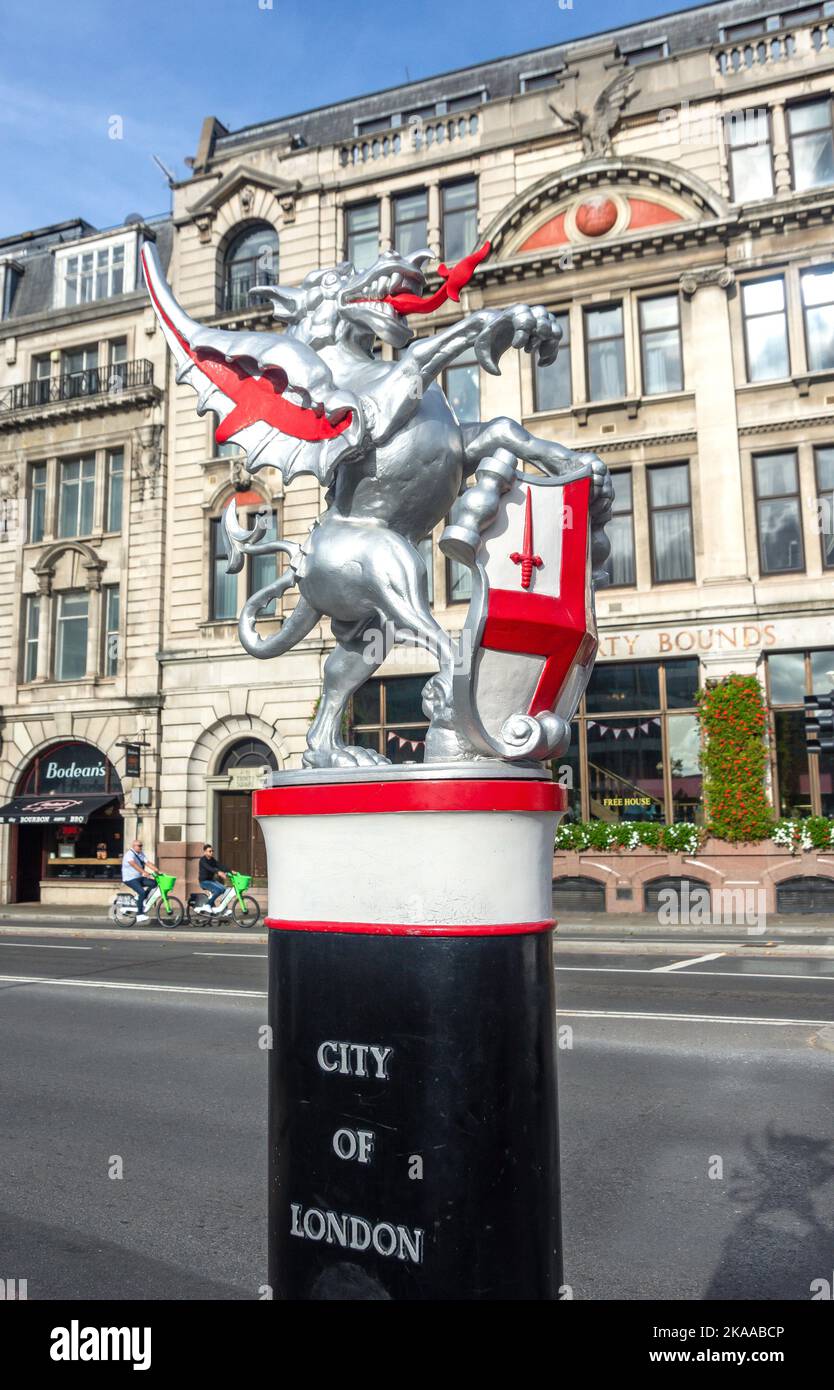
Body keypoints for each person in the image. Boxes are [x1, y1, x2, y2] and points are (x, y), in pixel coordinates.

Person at [121, 839, 159, 923]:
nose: (141, 847)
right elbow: (133, 864)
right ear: (133, 846)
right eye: (139, 846)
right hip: (130, 879)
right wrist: (143, 872)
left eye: (142, 845)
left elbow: (148, 863)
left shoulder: (140, 854)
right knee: (141, 892)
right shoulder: (129, 855)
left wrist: (157, 871)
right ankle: (140, 915)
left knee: (154, 884)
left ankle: (141, 899)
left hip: (138, 877)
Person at [198, 844, 231, 913]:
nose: (211, 852)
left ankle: (223, 909)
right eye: (209, 851)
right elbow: (209, 868)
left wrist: (230, 870)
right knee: (219, 890)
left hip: (211, 881)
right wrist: (218, 872)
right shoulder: (202, 860)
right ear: (205, 852)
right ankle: (207, 905)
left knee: (225, 890)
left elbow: (220, 866)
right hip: (204, 882)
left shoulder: (212, 860)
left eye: (212, 851)